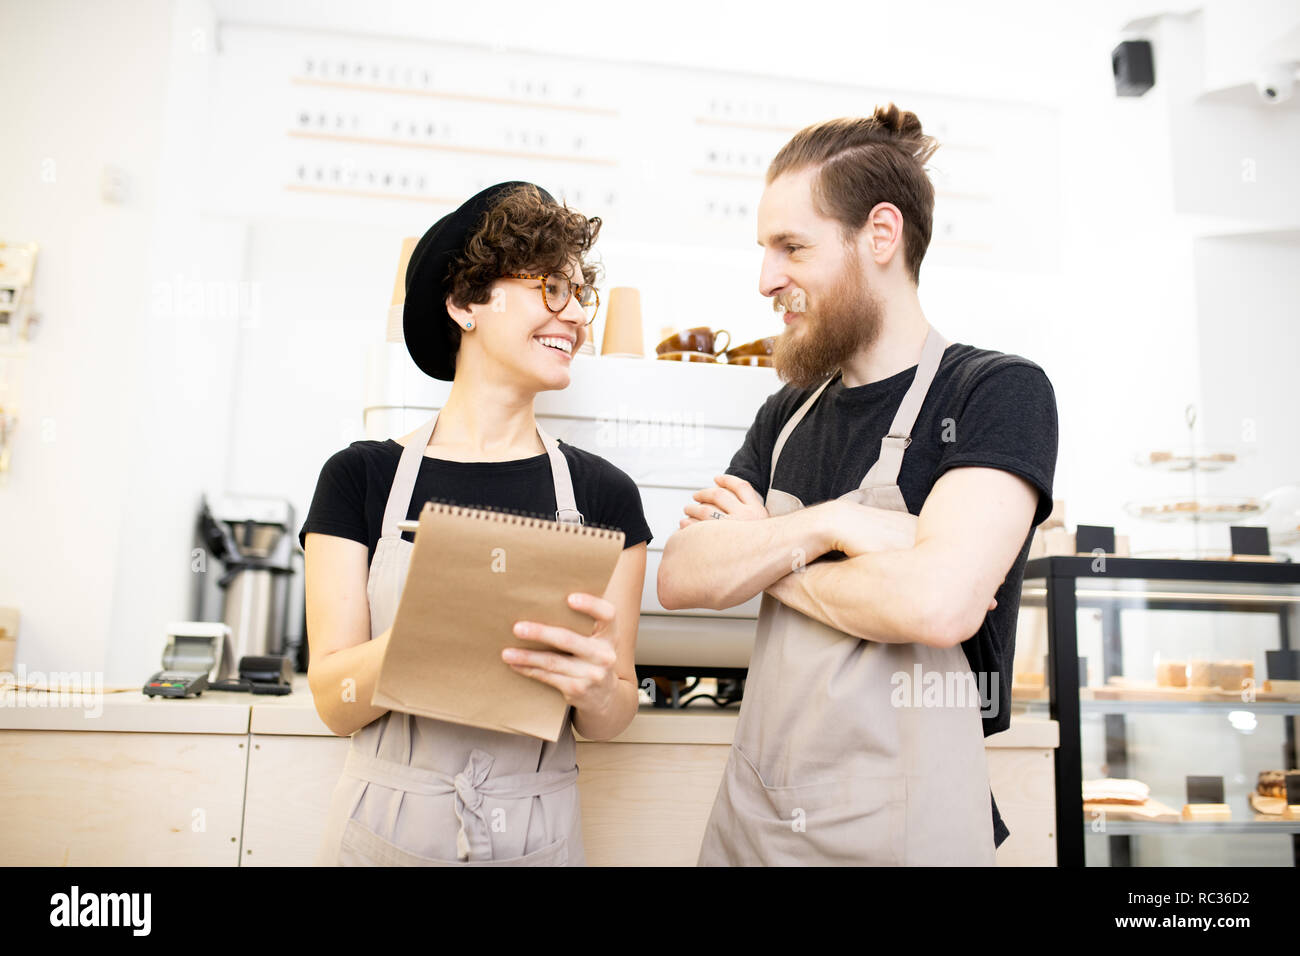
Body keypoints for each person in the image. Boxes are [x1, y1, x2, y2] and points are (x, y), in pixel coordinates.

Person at [657, 105, 1059, 865]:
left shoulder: (995, 392)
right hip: (758, 821)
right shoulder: (788, 411)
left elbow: (938, 605)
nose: (766, 279)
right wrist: (828, 526)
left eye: (791, 247)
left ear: (880, 234)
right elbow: (681, 576)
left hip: (904, 831)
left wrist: (764, 557)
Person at [300, 181, 651, 866]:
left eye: (580, 294)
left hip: (539, 832)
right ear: (464, 303)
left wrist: (595, 688)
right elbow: (335, 702)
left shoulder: (605, 497)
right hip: (388, 830)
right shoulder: (360, 479)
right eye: (551, 287)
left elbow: (614, 714)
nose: (575, 314)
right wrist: (440, 626)